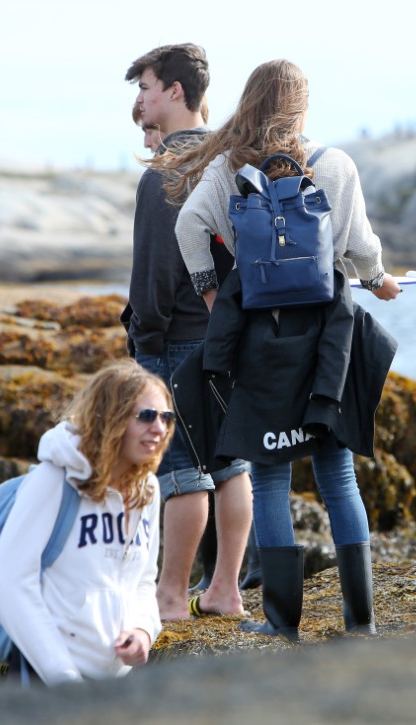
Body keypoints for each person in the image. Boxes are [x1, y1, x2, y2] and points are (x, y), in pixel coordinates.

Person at [171, 58, 401, 641]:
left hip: (260, 339)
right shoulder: (335, 165)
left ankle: (281, 621)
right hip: (328, 339)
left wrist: (211, 293)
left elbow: (188, 228)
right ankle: (361, 621)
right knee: (338, 476)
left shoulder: (227, 170)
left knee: (271, 478)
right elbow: (358, 248)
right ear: (301, 105)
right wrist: (381, 282)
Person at [122, 43, 255, 621]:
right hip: (232, 333)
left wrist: (143, 343)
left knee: (181, 470)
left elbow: (152, 277)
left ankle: (171, 596)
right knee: (232, 464)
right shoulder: (234, 164)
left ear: (176, 91)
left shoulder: (165, 175)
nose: (141, 100)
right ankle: (225, 588)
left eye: (146, 87)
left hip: (175, 337)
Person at [0, 359, 170, 686]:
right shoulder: (55, 480)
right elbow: (7, 582)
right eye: (146, 416)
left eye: (166, 417)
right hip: (50, 684)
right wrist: (62, 678)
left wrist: (143, 630)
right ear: (110, 419)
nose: (159, 428)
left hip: (115, 684)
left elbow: (143, 580)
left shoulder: (149, 489)